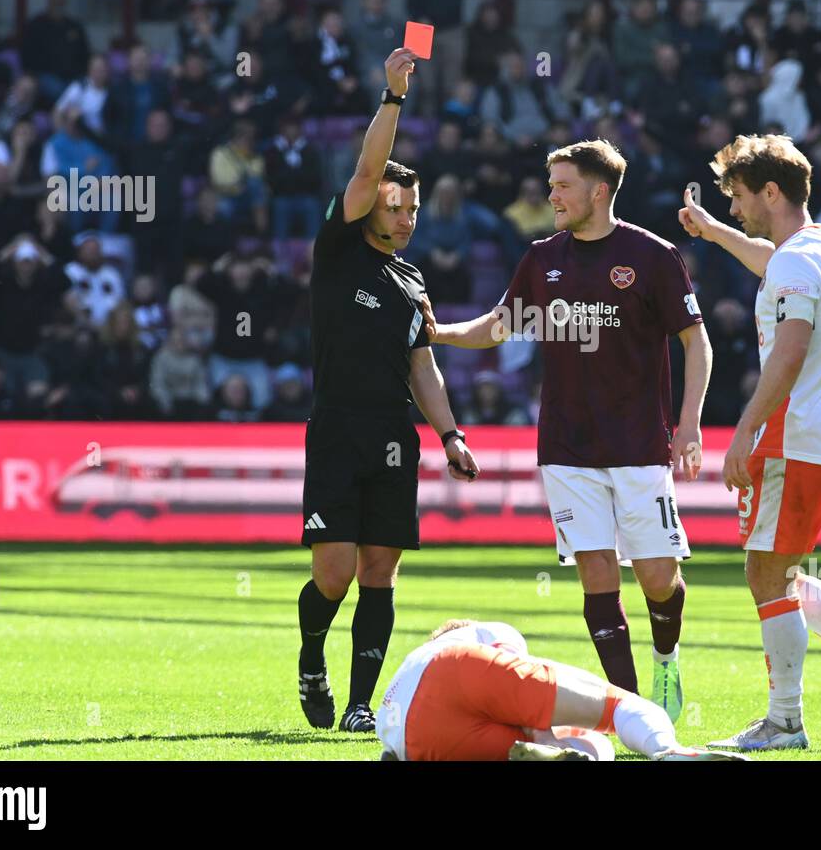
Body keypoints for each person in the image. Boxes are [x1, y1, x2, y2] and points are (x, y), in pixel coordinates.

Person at [429, 139, 711, 721]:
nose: (551, 195)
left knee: (659, 578)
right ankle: (631, 707)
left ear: (599, 191)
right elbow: (499, 325)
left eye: (562, 185)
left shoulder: (653, 256)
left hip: (639, 443)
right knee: (596, 573)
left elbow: (696, 341)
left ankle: (665, 657)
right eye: (551, 184)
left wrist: (688, 424)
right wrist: (440, 333)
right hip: (565, 445)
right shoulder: (541, 258)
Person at [677, 134, 821, 752]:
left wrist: (745, 429)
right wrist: (713, 232)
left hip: (791, 434)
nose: (734, 209)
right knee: (779, 573)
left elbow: (789, 350)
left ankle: (786, 721)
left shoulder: (795, 263)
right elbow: (770, 259)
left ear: (771, 192)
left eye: (737, 197)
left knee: (766, 573)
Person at [296, 48, 479, 735]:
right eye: (394, 206)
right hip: (337, 429)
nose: (405, 218)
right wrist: (394, 97)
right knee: (335, 573)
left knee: (380, 570)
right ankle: (311, 655)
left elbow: (422, 366)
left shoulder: (412, 281)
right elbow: (368, 170)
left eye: (413, 209)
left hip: (394, 438)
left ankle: (359, 704)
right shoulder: (338, 250)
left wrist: (450, 435)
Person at [376, 618, 745, 761]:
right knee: (619, 706)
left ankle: (550, 752)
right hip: (451, 669)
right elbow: (510, 682)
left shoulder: (406, 671)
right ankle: (668, 751)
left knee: (582, 744)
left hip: (409, 738)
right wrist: (543, 733)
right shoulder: (478, 635)